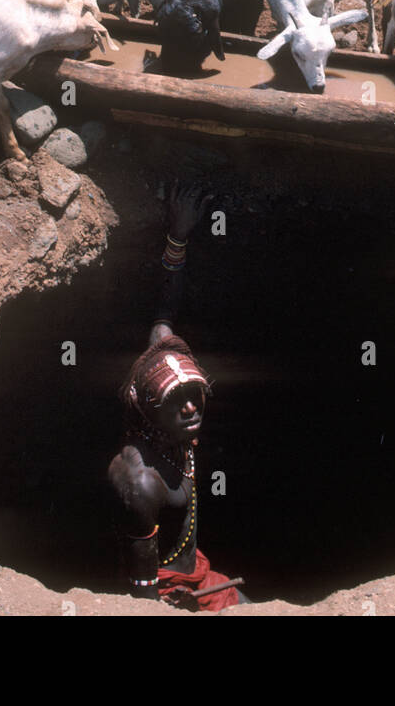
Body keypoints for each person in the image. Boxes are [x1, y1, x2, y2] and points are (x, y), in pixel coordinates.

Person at [108, 183, 242, 610]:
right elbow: (143, 592)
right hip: (172, 591)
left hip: (198, 571)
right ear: (151, 410)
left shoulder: (158, 364)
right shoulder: (141, 482)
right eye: (176, 400)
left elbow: (165, 310)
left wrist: (178, 236)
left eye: (194, 394)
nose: (191, 407)